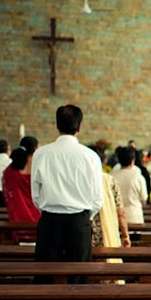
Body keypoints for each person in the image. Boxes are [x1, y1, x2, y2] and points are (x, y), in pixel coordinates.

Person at [31, 104, 103, 283]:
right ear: (79, 126)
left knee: (45, 276)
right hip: (79, 222)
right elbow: (97, 198)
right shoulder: (90, 156)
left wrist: (49, 210)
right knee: (78, 278)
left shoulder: (41, 154)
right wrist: (84, 216)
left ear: (57, 125)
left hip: (50, 222)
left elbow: (36, 194)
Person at [3, 139, 40, 243]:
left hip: (18, 217)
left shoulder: (10, 170)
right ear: (35, 149)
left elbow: (8, 193)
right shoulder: (41, 167)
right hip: (38, 216)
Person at [112, 146, 148, 225]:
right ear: (132, 161)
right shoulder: (138, 177)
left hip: (116, 217)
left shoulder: (112, 177)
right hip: (134, 217)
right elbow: (144, 199)